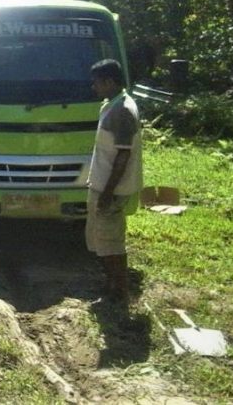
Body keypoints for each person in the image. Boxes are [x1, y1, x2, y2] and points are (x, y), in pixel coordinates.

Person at [86, 58, 142, 304]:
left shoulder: (122, 111)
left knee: (111, 243)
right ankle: (110, 286)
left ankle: (119, 291)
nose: (94, 87)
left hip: (112, 189)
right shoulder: (111, 104)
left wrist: (108, 192)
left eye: (97, 82)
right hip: (101, 185)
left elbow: (123, 155)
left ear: (109, 81)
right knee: (101, 239)